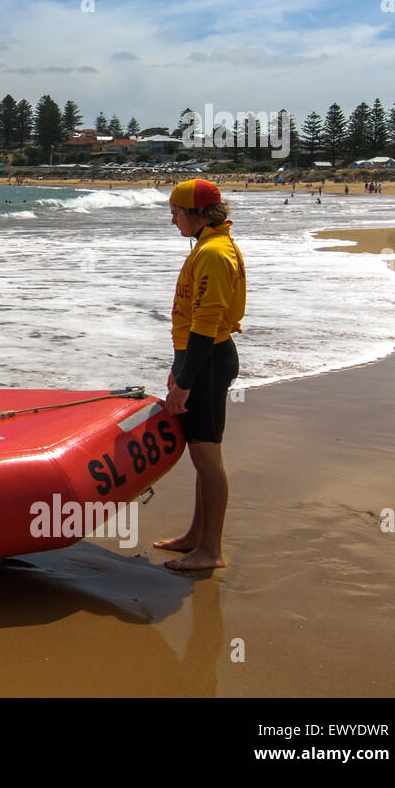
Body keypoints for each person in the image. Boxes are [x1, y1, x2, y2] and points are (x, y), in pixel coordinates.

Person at [155, 179, 245, 571]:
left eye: (175, 213)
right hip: (199, 359)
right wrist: (179, 369)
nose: (173, 221)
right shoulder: (210, 246)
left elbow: (206, 325)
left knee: (208, 458)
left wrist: (186, 383)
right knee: (200, 456)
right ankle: (196, 535)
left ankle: (212, 552)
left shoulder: (213, 253)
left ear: (196, 213)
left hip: (208, 362)